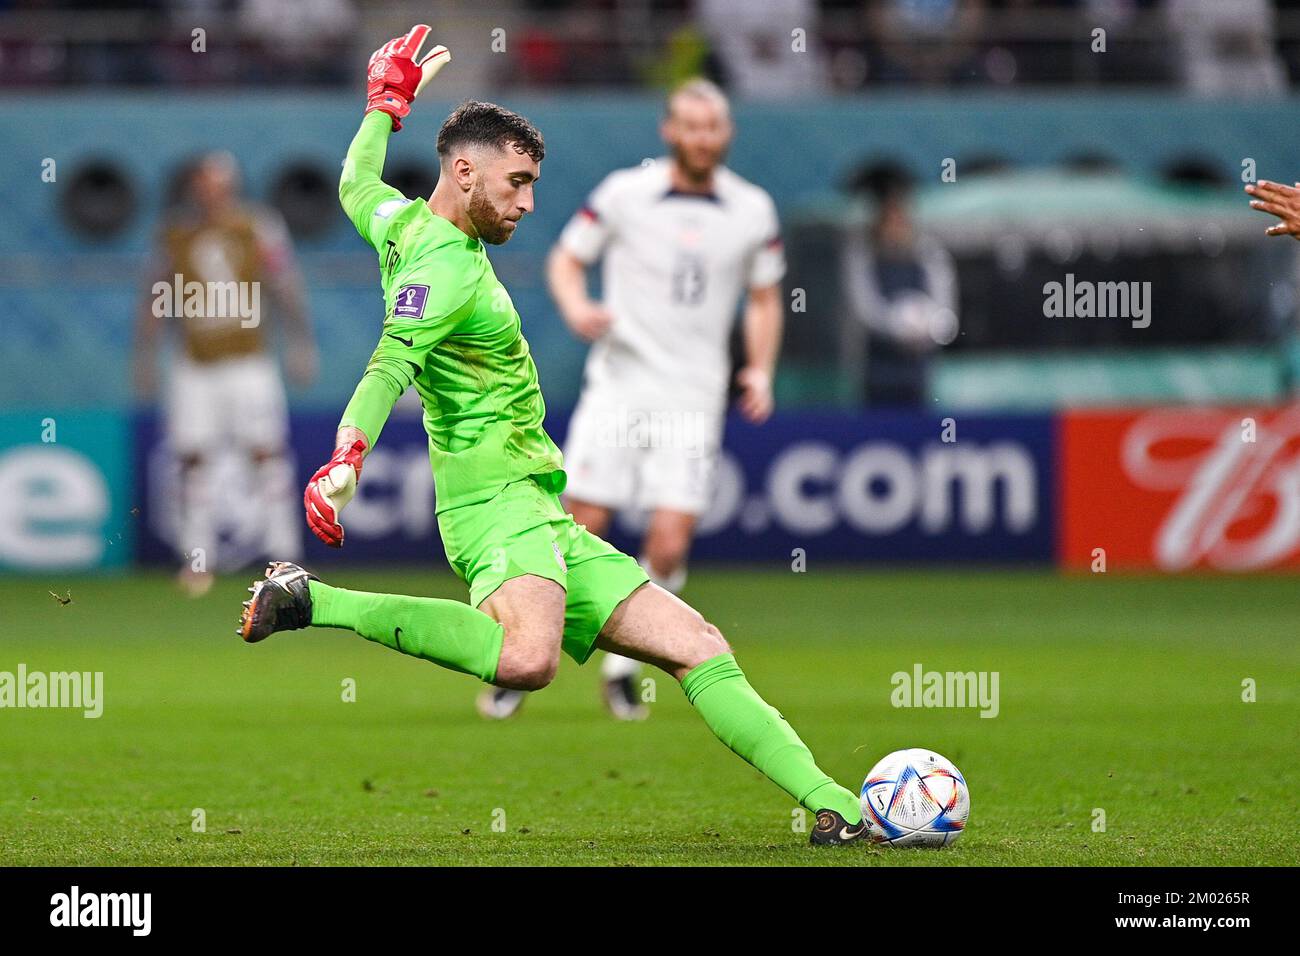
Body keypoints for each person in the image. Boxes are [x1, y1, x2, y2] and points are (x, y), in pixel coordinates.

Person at [236, 25, 866, 845]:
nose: (529, 203)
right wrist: (346, 455)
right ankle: (314, 600)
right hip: (494, 507)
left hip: (541, 507)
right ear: (465, 173)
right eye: (518, 182)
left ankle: (835, 807)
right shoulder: (447, 269)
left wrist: (383, 107)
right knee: (526, 660)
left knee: (696, 643)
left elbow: (357, 179)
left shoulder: (398, 222)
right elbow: (388, 364)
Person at [474, 77, 785, 722]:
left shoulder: (753, 208)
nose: (702, 137)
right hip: (620, 386)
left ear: (726, 134)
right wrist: (576, 304)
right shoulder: (625, 193)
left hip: (694, 395)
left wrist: (758, 368)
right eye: (690, 126)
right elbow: (565, 259)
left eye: (714, 126)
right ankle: (524, 655)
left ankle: (621, 670)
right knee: (581, 523)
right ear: (669, 131)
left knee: (669, 544)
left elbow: (763, 296)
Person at [135, 151, 316, 596]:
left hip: (249, 360)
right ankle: (198, 560)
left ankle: (285, 558)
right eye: (206, 183)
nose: (213, 191)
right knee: (194, 459)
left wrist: (300, 343)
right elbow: (157, 294)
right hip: (194, 363)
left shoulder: (258, 226)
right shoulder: (175, 233)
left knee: (267, 454)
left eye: (220, 182)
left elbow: (284, 282)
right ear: (195, 187)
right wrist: (144, 355)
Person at [839, 162, 957, 407]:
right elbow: (864, 307)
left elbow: (945, 304)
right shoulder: (862, 256)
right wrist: (897, 326)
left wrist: (927, 327)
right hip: (878, 368)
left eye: (900, 216)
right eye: (888, 218)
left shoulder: (928, 253)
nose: (895, 224)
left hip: (918, 368)